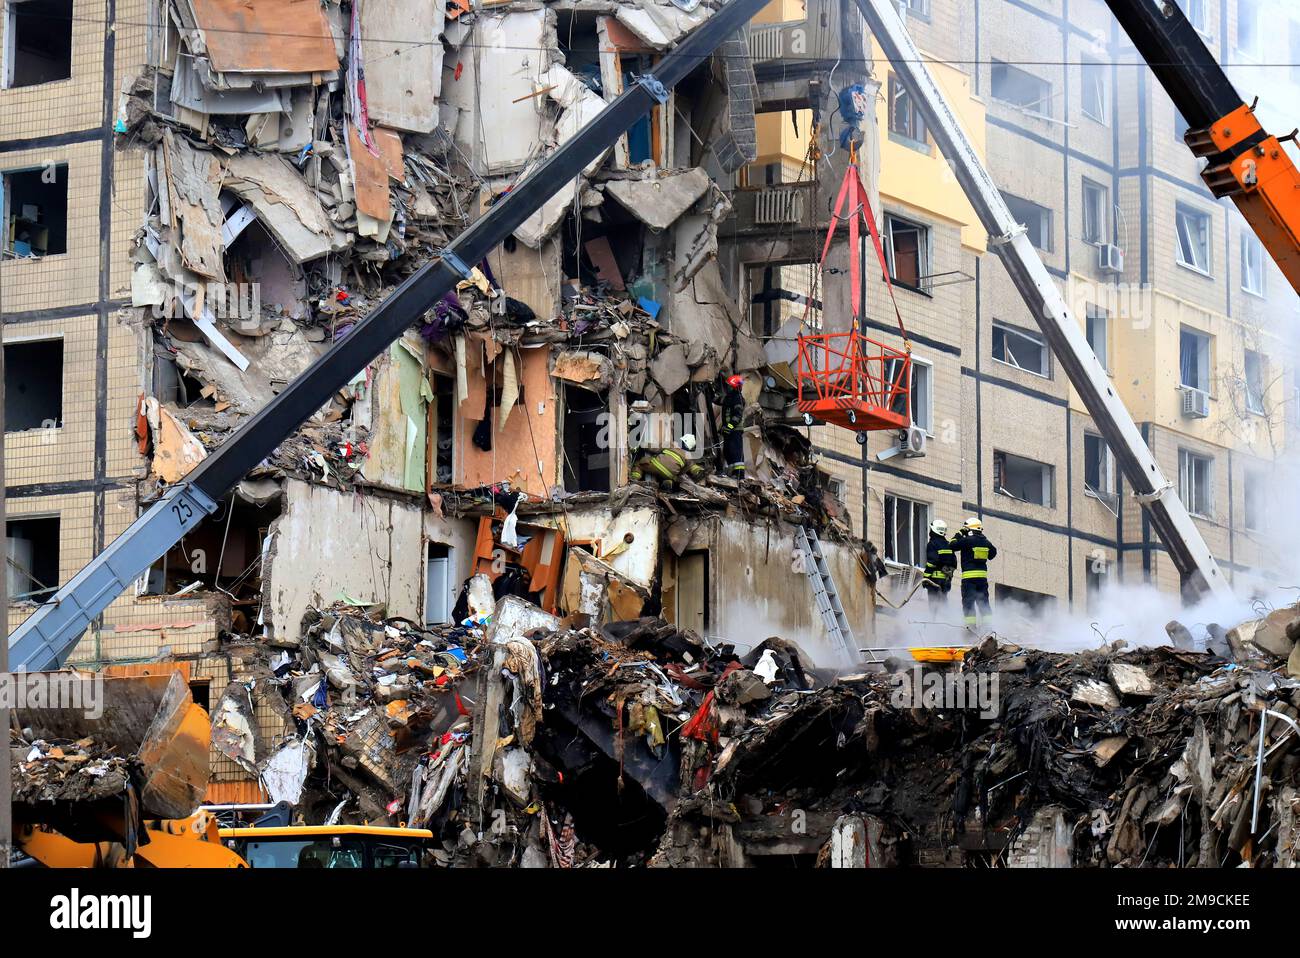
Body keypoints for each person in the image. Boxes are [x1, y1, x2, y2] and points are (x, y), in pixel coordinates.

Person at [953, 516, 997, 630]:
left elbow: (952, 545)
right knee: (983, 602)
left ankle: (970, 628)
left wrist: (959, 533)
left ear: (968, 530)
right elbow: (993, 554)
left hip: (969, 579)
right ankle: (988, 627)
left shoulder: (967, 541)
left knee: (969, 602)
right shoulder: (986, 542)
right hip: (982, 579)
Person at [630, 434, 706, 490]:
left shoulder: (671, 444)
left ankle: (634, 479)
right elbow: (684, 470)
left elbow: (654, 448)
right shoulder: (688, 456)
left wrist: (641, 444)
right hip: (670, 474)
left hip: (657, 465)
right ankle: (668, 484)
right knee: (668, 476)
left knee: (639, 463)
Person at [920, 519, 957, 613]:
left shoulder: (932, 544)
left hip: (934, 580)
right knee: (943, 603)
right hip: (946, 581)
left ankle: (935, 624)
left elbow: (932, 562)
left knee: (934, 606)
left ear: (933, 531)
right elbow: (954, 562)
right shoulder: (948, 545)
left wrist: (926, 577)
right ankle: (944, 623)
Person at [720, 374, 747, 480]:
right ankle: (732, 473)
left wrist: (729, 427)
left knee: (736, 452)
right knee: (728, 451)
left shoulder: (738, 398)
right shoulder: (729, 398)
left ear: (735, 387)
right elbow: (719, 400)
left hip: (735, 430)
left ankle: (739, 474)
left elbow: (737, 416)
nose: (727, 388)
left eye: (729, 386)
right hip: (729, 430)